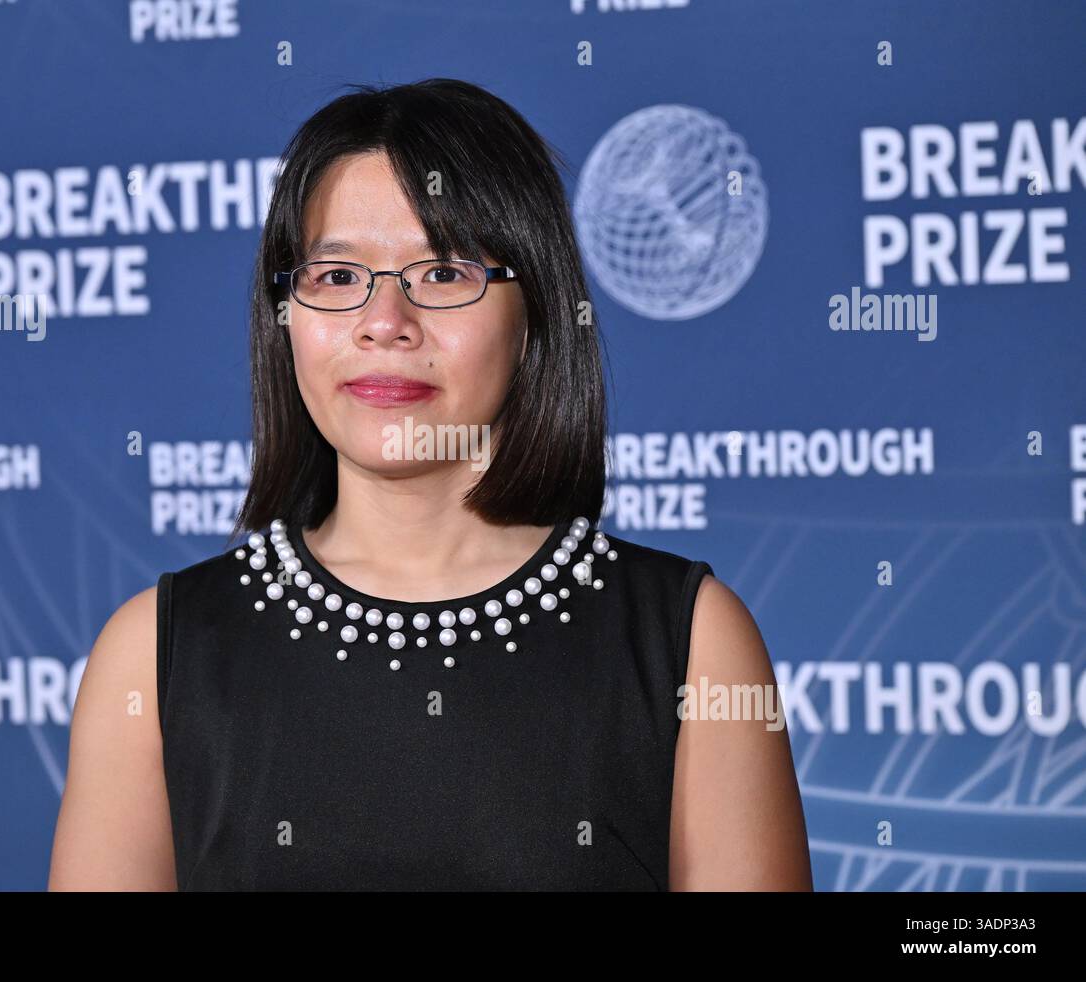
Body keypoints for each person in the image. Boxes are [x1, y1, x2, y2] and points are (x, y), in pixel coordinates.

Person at [48, 77, 812, 891]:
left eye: (443, 272)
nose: (384, 321)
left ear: (537, 316)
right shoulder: (153, 655)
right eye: (337, 277)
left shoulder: (690, 644)